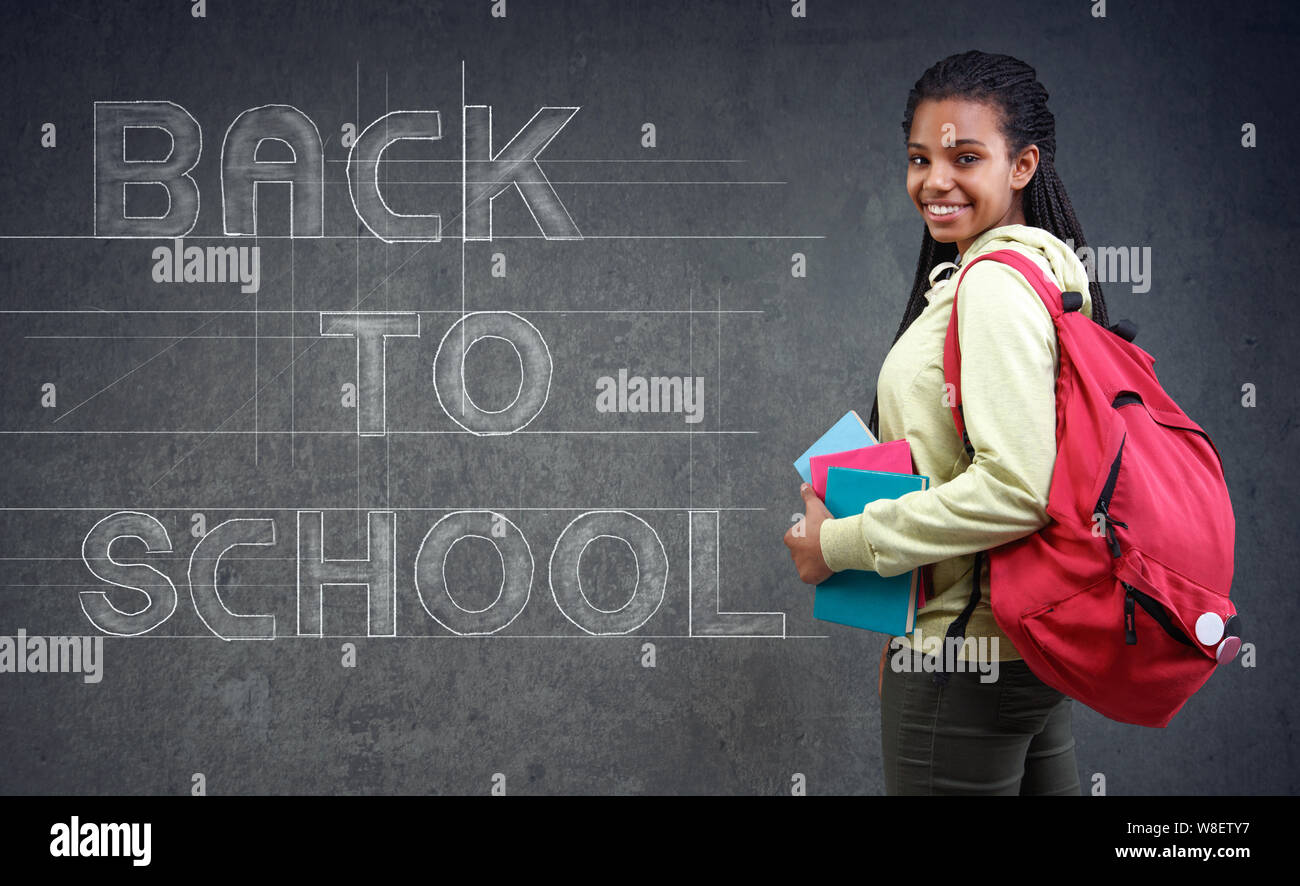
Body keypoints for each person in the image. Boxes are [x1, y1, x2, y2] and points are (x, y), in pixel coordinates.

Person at [783, 50, 1114, 795]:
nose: (935, 181)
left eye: (966, 157)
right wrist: (902, 620)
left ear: (1023, 164)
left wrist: (836, 546)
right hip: (1017, 648)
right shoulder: (1035, 278)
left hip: (963, 660)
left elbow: (1013, 489)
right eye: (919, 158)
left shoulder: (994, 288)